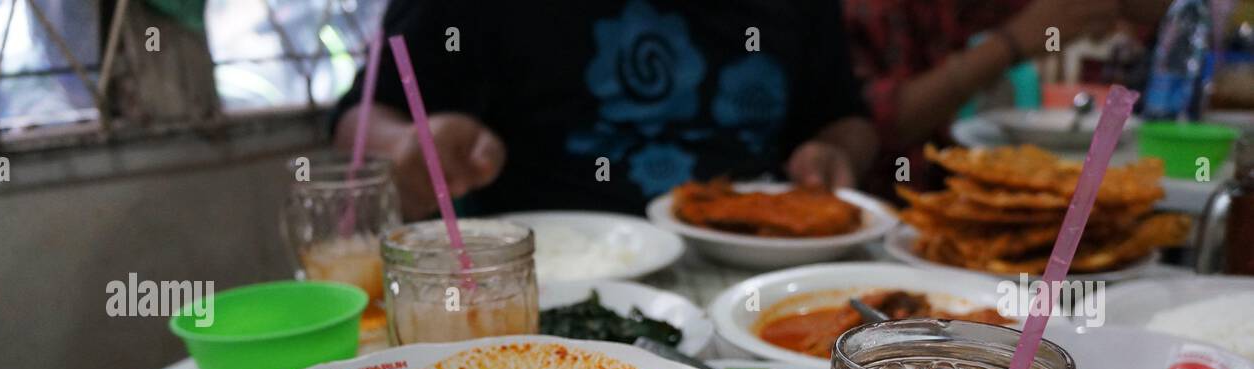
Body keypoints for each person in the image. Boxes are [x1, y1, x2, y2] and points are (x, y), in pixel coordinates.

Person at [333, 0, 877, 219]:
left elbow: (845, 118)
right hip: (552, 274)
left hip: (755, 267)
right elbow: (361, 115)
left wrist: (831, 151)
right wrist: (405, 145)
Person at [844, 0, 1171, 191]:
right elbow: (876, 121)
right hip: (879, 216)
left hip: (979, 202)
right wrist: (1012, 43)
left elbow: (1154, 9)